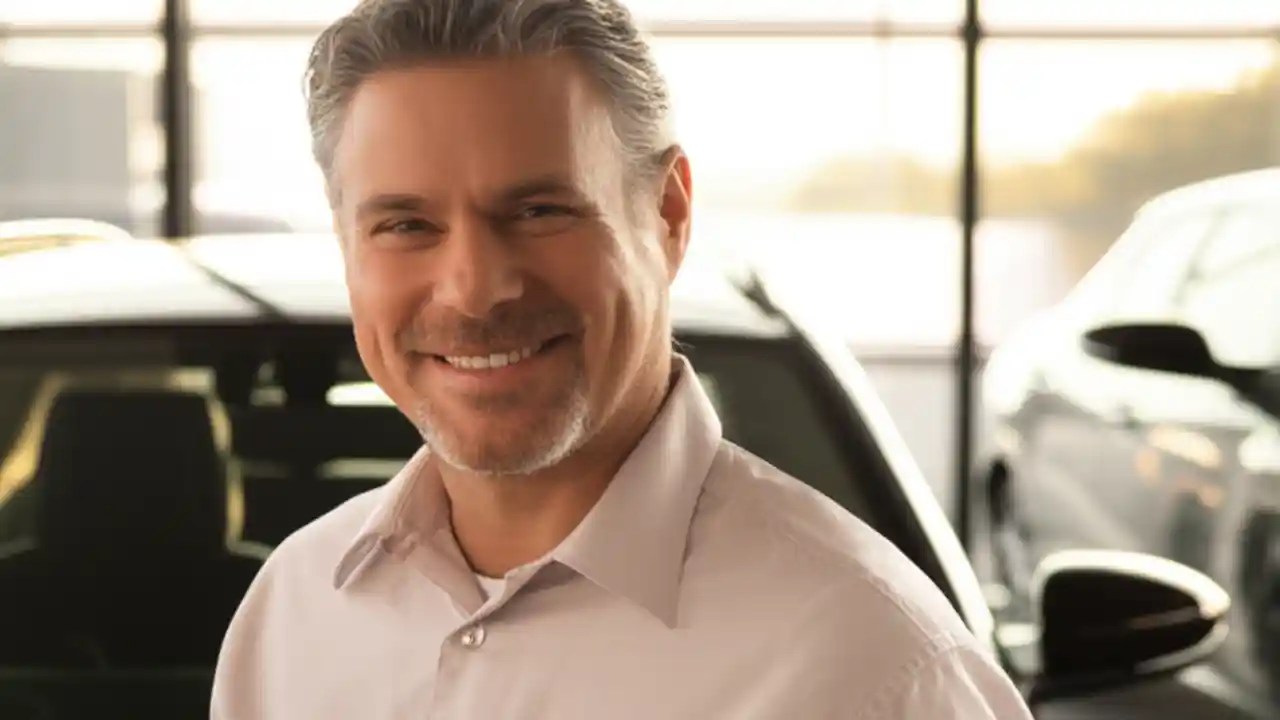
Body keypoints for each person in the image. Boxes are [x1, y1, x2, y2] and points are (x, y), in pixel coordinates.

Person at [212, 1, 1034, 717]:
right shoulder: (293, 616)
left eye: (538, 210)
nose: (473, 291)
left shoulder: (874, 667)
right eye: (406, 225)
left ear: (668, 215)